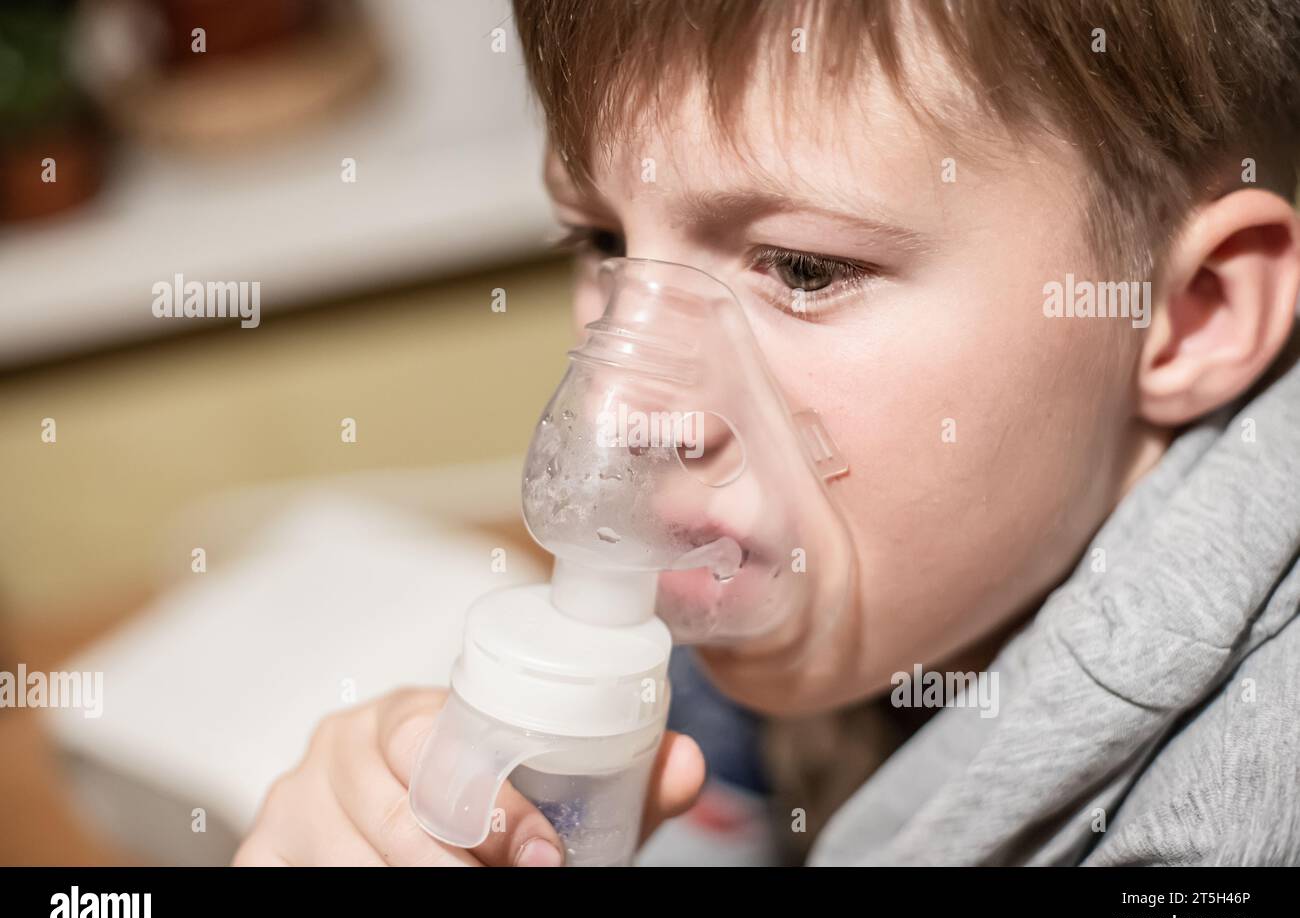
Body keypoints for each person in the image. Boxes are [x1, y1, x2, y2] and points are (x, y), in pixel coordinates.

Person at [234, 0, 1300, 866]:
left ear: (1191, 308)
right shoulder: (887, 595)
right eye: (601, 239)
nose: (620, 416)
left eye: (802, 269)